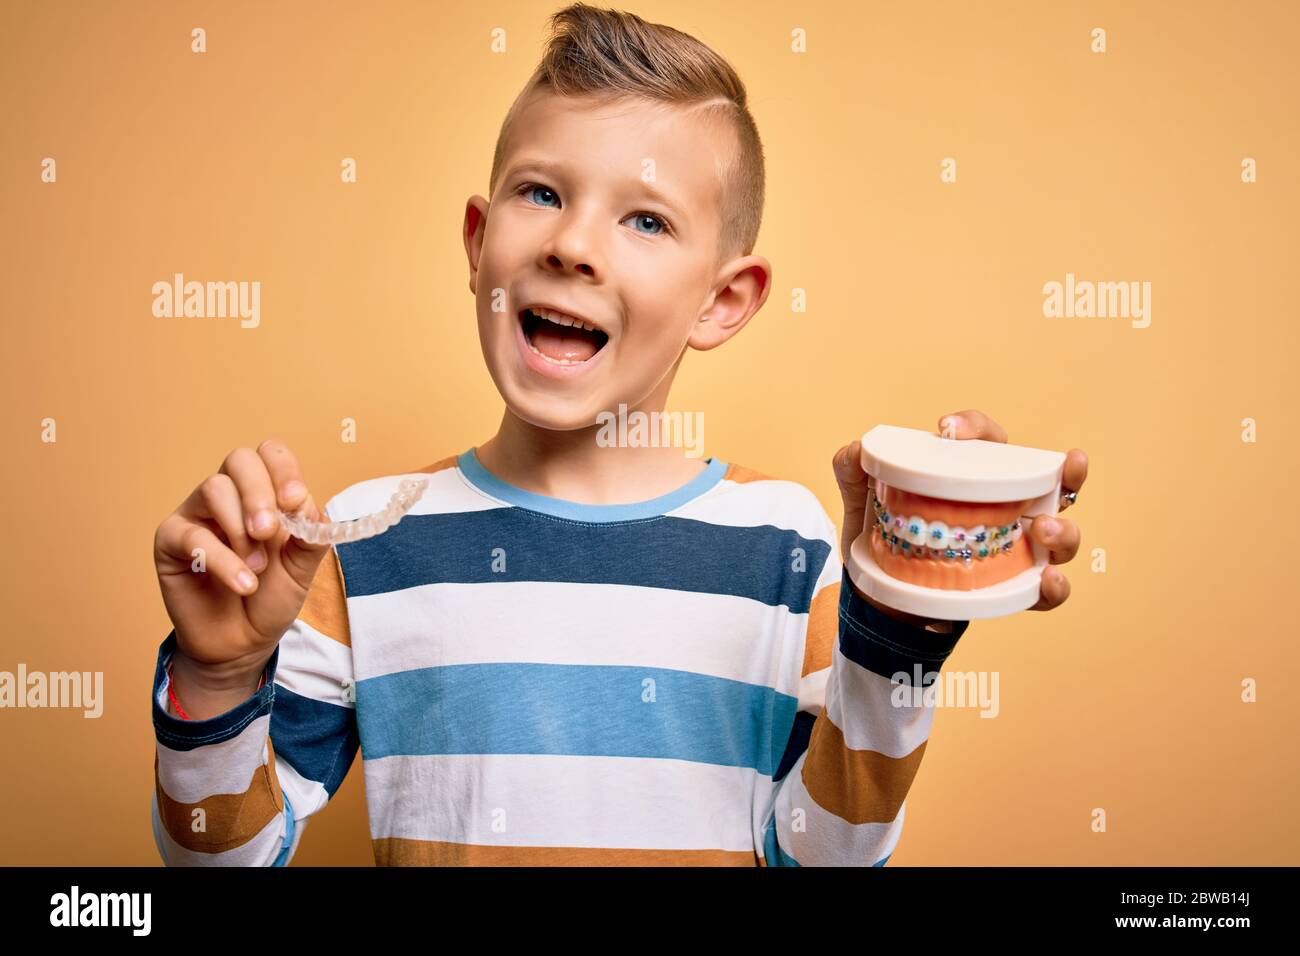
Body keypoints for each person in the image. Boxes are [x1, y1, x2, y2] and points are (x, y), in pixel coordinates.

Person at [149, 3, 1088, 866]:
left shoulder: (785, 545)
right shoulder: (361, 545)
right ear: (478, 242)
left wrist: (897, 629)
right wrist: (217, 680)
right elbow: (220, 860)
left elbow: (829, 856)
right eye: (540, 194)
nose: (571, 246)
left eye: (644, 219)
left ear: (722, 301)